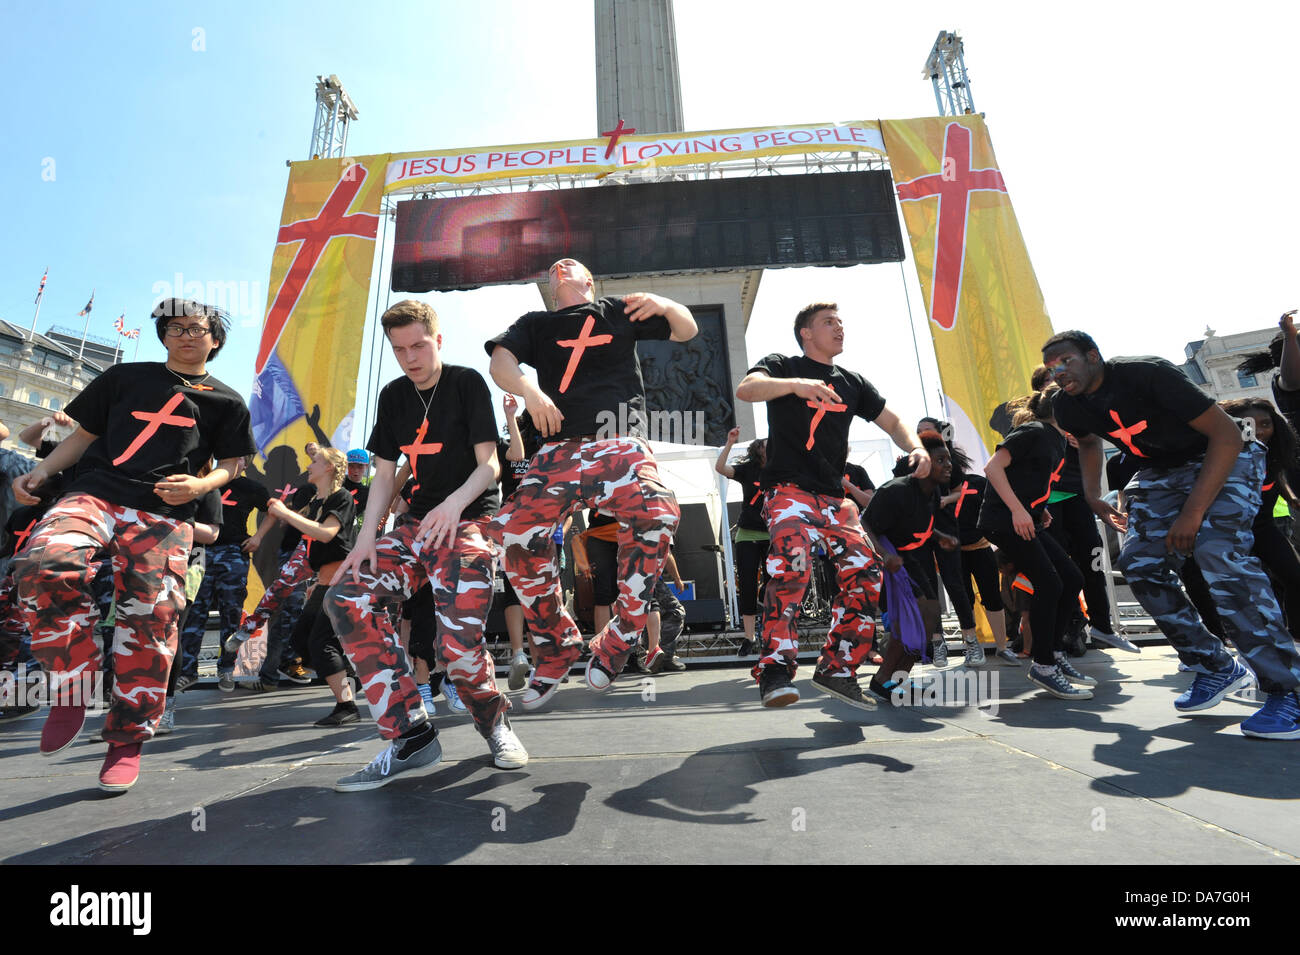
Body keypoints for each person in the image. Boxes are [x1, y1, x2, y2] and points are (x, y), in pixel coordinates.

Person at [11, 298, 254, 793]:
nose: (186, 335)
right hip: (96, 493)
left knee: (151, 621)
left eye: (197, 328)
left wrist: (201, 487)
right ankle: (73, 685)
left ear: (216, 338)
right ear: (164, 336)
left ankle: (126, 740)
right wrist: (40, 471)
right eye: (175, 328)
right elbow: (82, 437)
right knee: (42, 560)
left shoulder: (228, 402)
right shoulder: (123, 378)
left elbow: (233, 464)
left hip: (164, 513)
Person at [1045, 330, 1300, 738]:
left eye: (1065, 362)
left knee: (1218, 554)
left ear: (1093, 356)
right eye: (1051, 369)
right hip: (1161, 471)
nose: (1058, 373)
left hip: (1222, 456)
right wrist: (1093, 494)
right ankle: (1214, 665)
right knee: (1139, 564)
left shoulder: (1146, 374)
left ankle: (1289, 690)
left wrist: (1193, 513)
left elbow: (1228, 435)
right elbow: (1089, 443)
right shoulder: (1066, 404)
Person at [325, 300, 526, 792]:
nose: (410, 357)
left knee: (455, 646)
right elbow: (385, 472)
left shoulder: (465, 383)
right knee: (345, 595)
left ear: (438, 341)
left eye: (418, 345)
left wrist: (453, 505)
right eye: (399, 350)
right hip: (414, 525)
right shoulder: (394, 395)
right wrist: (366, 537)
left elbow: (490, 466)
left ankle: (494, 722)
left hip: (466, 521)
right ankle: (411, 734)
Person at [486, 259, 694, 710]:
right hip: (558, 448)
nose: (561, 266)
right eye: (554, 267)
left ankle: (620, 634)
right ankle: (557, 643)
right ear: (550, 286)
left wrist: (663, 302)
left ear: (589, 282)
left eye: (572, 265)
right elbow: (499, 361)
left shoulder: (617, 310)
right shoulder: (536, 323)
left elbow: (686, 330)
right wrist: (531, 393)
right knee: (514, 532)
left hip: (617, 440)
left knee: (658, 514)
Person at [734, 301, 929, 709]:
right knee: (791, 562)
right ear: (806, 332)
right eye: (828, 322)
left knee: (867, 573)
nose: (839, 328)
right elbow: (747, 389)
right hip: (788, 490)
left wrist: (916, 449)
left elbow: (892, 422)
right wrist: (796, 385)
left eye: (841, 322)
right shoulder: (782, 364)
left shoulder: (853, 382)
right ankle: (774, 669)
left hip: (834, 499)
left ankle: (838, 668)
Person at [979, 387, 1093, 700]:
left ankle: (1053, 654)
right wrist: (1018, 510)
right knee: (1050, 584)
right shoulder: (1033, 431)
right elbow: (993, 467)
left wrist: (1038, 507)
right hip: (1003, 521)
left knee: (1071, 579)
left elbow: (1027, 477)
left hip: (1026, 519)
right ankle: (1043, 665)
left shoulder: (1055, 438)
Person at [863, 431, 958, 700]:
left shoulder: (931, 492)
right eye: (941, 460)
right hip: (887, 562)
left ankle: (896, 682)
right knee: (910, 623)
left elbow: (917, 525)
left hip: (909, 559)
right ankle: (882, 681)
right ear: (924, 463)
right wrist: (885, 556)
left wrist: (940, 537)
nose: (948, 465)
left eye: (948, 459)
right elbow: (865, 524)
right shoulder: (896, 490)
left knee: (929, 617)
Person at [178, 463, 270, 692]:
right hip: (199, 553)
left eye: (237, 459)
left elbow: (273, 511)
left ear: (245, 462)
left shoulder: (252, 487)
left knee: (231, 612)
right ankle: (187, 671)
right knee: (194, 612)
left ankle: (226, 670)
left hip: (233, 552)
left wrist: (258, 537)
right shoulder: (204, 482)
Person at [496, 395, 539, 689]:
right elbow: (515, 454)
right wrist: (511, 417)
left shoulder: (544, 447)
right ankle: (525, 658)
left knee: (524, 593)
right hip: (520, 522)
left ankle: (522, 655)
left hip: (532, 524)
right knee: (530, 593)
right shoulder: (509, 447)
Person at [715, 430, 769, 656]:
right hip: (747, 534)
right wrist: (728, 443)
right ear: (758, 449)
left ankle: (772, 634)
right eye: (766, 444)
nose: (770, 447)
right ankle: (749, 637)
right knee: (747, 584)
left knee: (773, 585)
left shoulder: (782, 469)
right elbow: (721, 468)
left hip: (772, 535)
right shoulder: (748, 469)